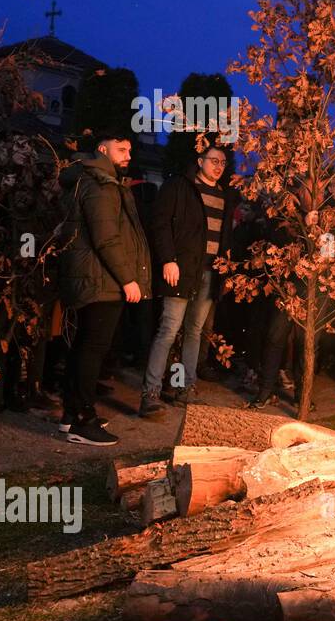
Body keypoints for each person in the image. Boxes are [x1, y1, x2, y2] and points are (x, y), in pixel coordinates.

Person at [57, 132, 152, 445]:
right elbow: (106, 238)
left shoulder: (95, 180)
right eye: (121, 149)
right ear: (102, 149)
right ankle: (84, 419)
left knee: (85, 346)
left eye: (129, 150)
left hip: (94, 278)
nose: (128, 155)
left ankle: (71, 417)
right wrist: (128, 279)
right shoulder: (100, 185)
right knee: (92, 349)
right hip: (101, 280)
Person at [139, 144, 236, 416]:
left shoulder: (224, 195)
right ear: (200, 160)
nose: (218, 166)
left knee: (194, 331)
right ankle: (151, 393)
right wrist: (169, 259)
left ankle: (184, 389)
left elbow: (225, 235)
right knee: (169, 329)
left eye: (223, 162)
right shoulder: (179, 187)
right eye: (214, 160)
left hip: (210, 272)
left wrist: (224, 270)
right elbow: (160, 224)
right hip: (182, 270)